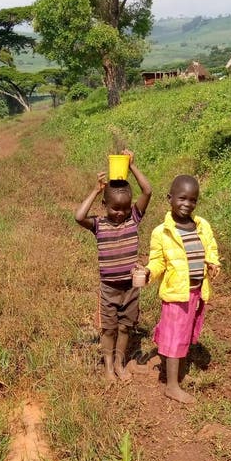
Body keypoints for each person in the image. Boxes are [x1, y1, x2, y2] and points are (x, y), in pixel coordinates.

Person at [75, 150, 152, 382]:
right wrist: (96, 189)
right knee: (108, 329)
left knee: (126, 328)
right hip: (109, 289)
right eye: (114, 208)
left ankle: (119, 363)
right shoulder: (98, 224)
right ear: (104, 204)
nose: (120, 213)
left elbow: (147, 191)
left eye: (125, 208)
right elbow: (79, 217)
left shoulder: (133, 219)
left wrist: (132, 167)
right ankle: (108, 366)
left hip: (130, 288)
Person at [147, 175, 220, 404]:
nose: (187, 204)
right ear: (170, 198)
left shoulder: (202, 226)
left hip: (196, 291)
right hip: (176, 293)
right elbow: (157, 261)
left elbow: (211, 249)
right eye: (182, 198)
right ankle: (171, 385)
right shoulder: (162, 232)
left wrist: (213, 263)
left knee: (184, 334)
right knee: (175, 336)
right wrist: (149, 272)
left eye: (192, 200)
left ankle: (175, 370)